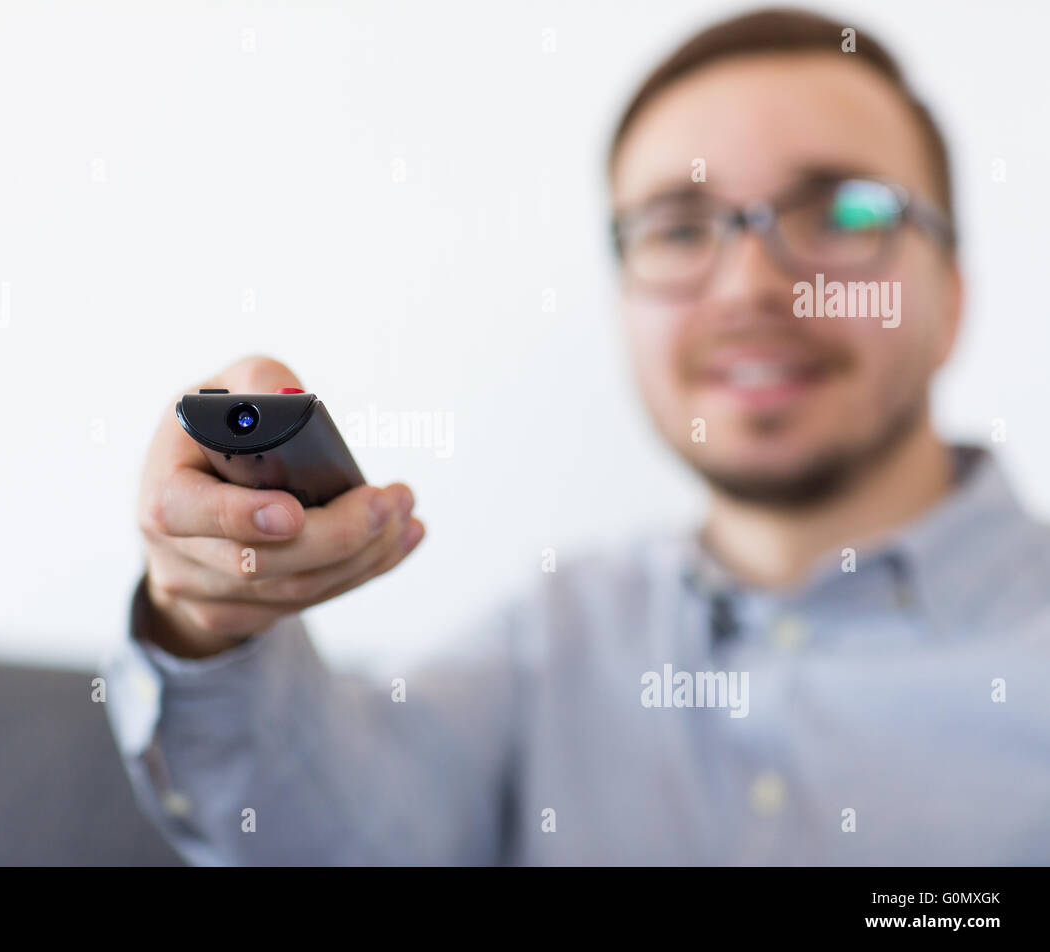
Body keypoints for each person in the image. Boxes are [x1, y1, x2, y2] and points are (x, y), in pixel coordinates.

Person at [101, 7, 1050, 865]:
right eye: (681, 229)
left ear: (952, 298)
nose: (752, 283)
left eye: (844, 213)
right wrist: (209, 624)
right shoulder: (553, 640)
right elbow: (339, 842)